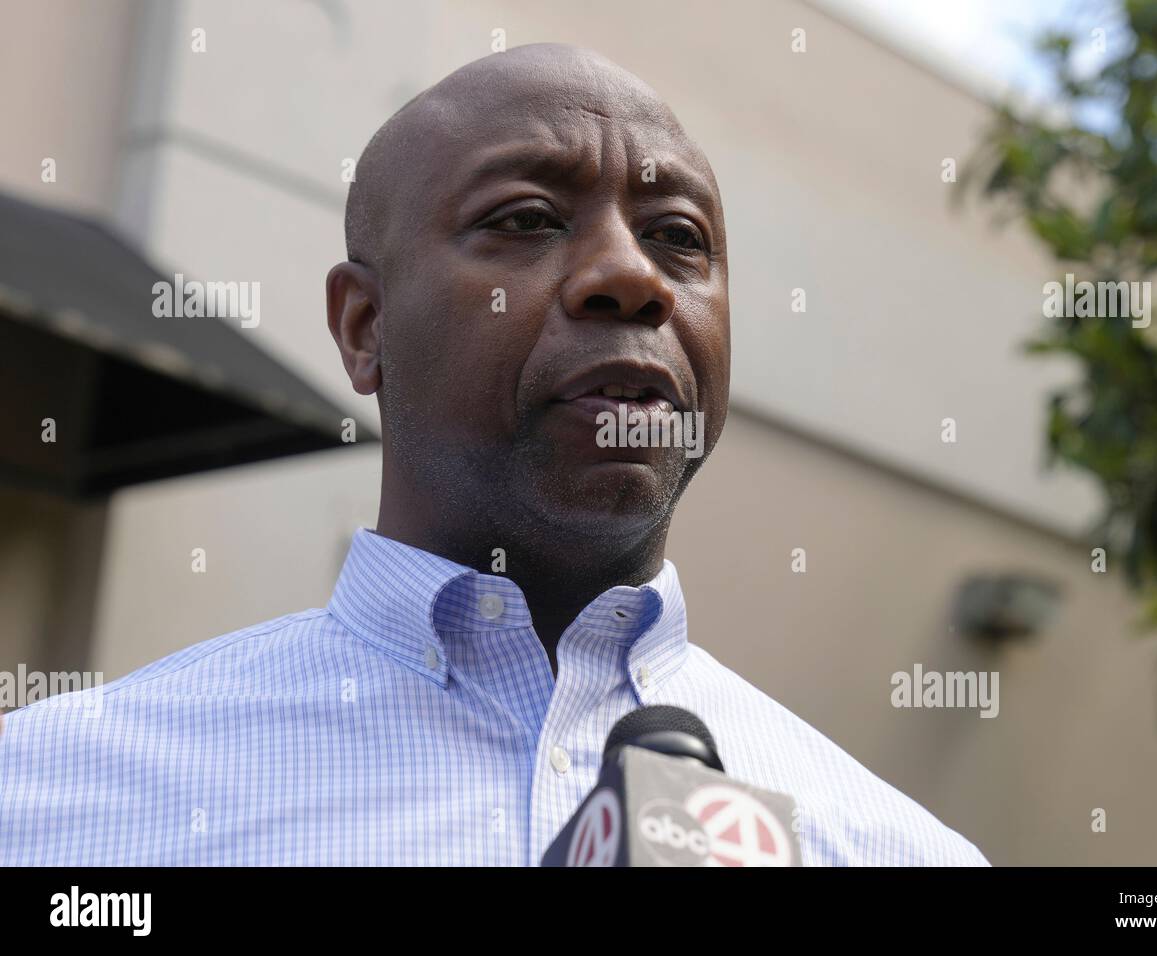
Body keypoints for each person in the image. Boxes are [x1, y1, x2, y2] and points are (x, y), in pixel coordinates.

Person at [0, 44, 987, 866]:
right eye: (525, 219)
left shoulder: (895, 849)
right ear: (364, 323)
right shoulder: (48, 800)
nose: (630, 276)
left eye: (678, 237)